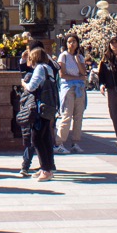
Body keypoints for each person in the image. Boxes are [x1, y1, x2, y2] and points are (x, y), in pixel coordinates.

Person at [21, 46, 59, 181]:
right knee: (44, 137)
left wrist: (24, 84)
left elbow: (32, 87)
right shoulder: (47, 68)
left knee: (36, 138)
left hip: (40, 108)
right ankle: (47, 167)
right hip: (49, 107)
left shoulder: (39, 69)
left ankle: (45, 170)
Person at [55, 34, 88, 154]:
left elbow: (84, 73)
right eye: (69, 42)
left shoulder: (80, 57)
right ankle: (59, 142)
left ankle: (75, 142)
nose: (72, 44)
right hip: (68, 88)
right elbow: (62, 74)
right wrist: (78, 77)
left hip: (79, 88)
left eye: (74, 41)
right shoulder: (63, 56)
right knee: (67, 115)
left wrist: (78, 61)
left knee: (78, 116)